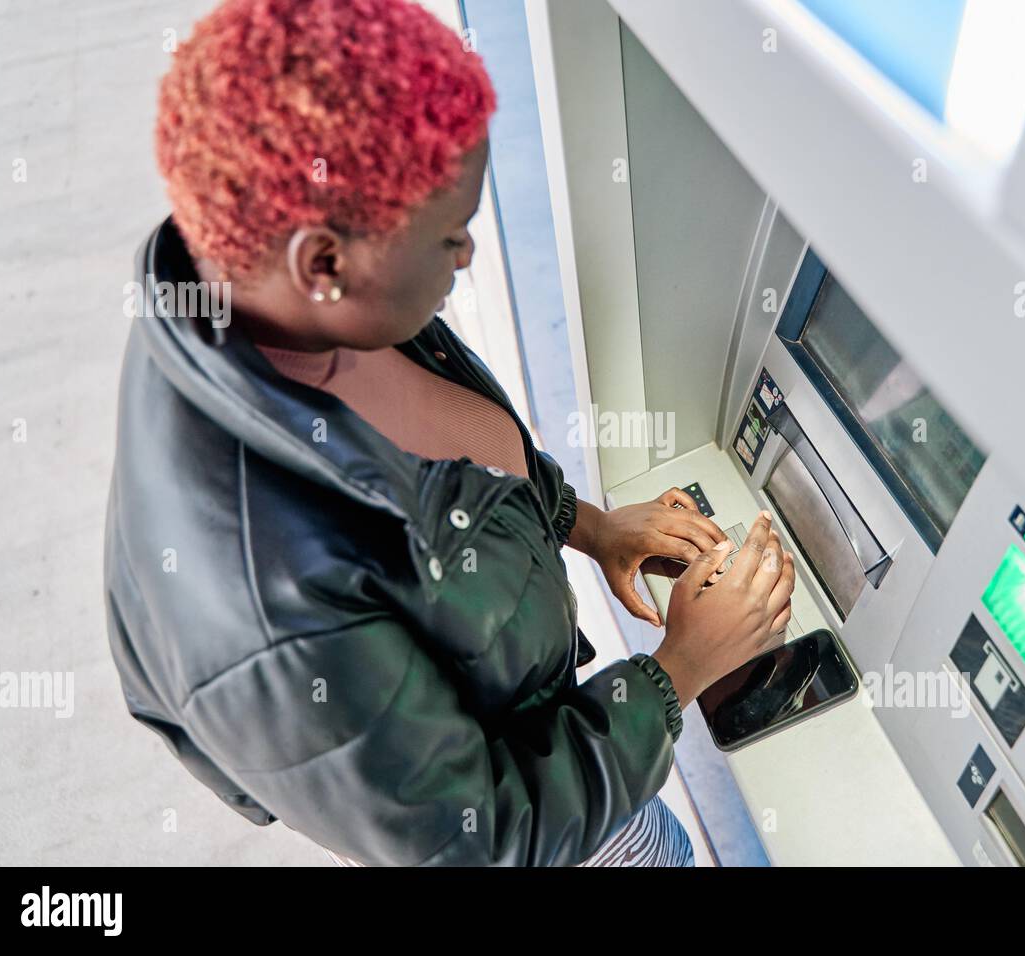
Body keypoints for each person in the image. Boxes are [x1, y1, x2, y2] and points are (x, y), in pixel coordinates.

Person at [104, 0, 795, 866]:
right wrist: (681, 667)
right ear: (325, 264)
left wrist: (589, 524)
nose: (468, 255)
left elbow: (453, 466)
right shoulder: (273, 614)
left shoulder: (252, 275)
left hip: (549, 729)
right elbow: (484, 840)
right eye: (449, 236)